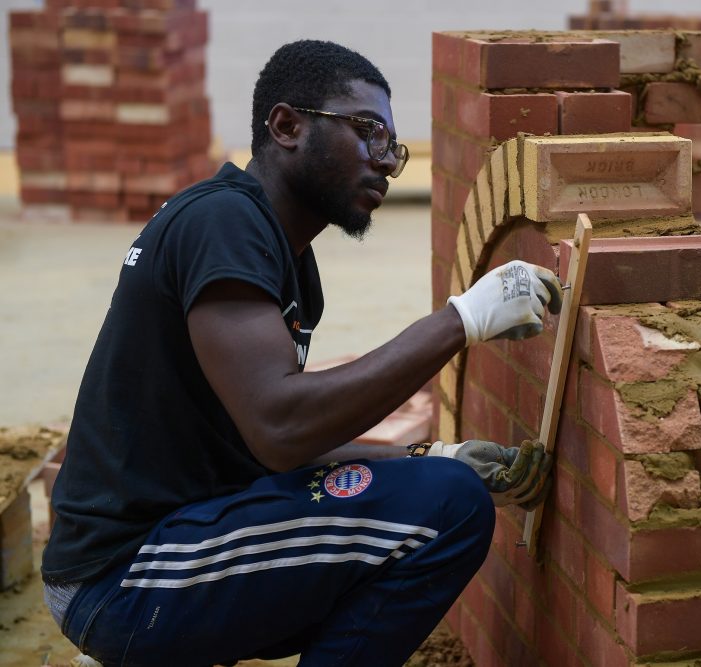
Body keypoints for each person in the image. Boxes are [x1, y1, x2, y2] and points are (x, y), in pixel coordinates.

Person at [41, 39, 560, 666]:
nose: (385, 162)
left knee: (438, 486)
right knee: (449, 507)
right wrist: (462, 321)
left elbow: (266, 447)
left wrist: (426, 456)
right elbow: (281, 425)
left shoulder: (284, 258)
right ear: (287, 126)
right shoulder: (223, 222)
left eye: (393, 147)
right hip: (125, 575)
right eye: (367, 131)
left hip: (181, 537)